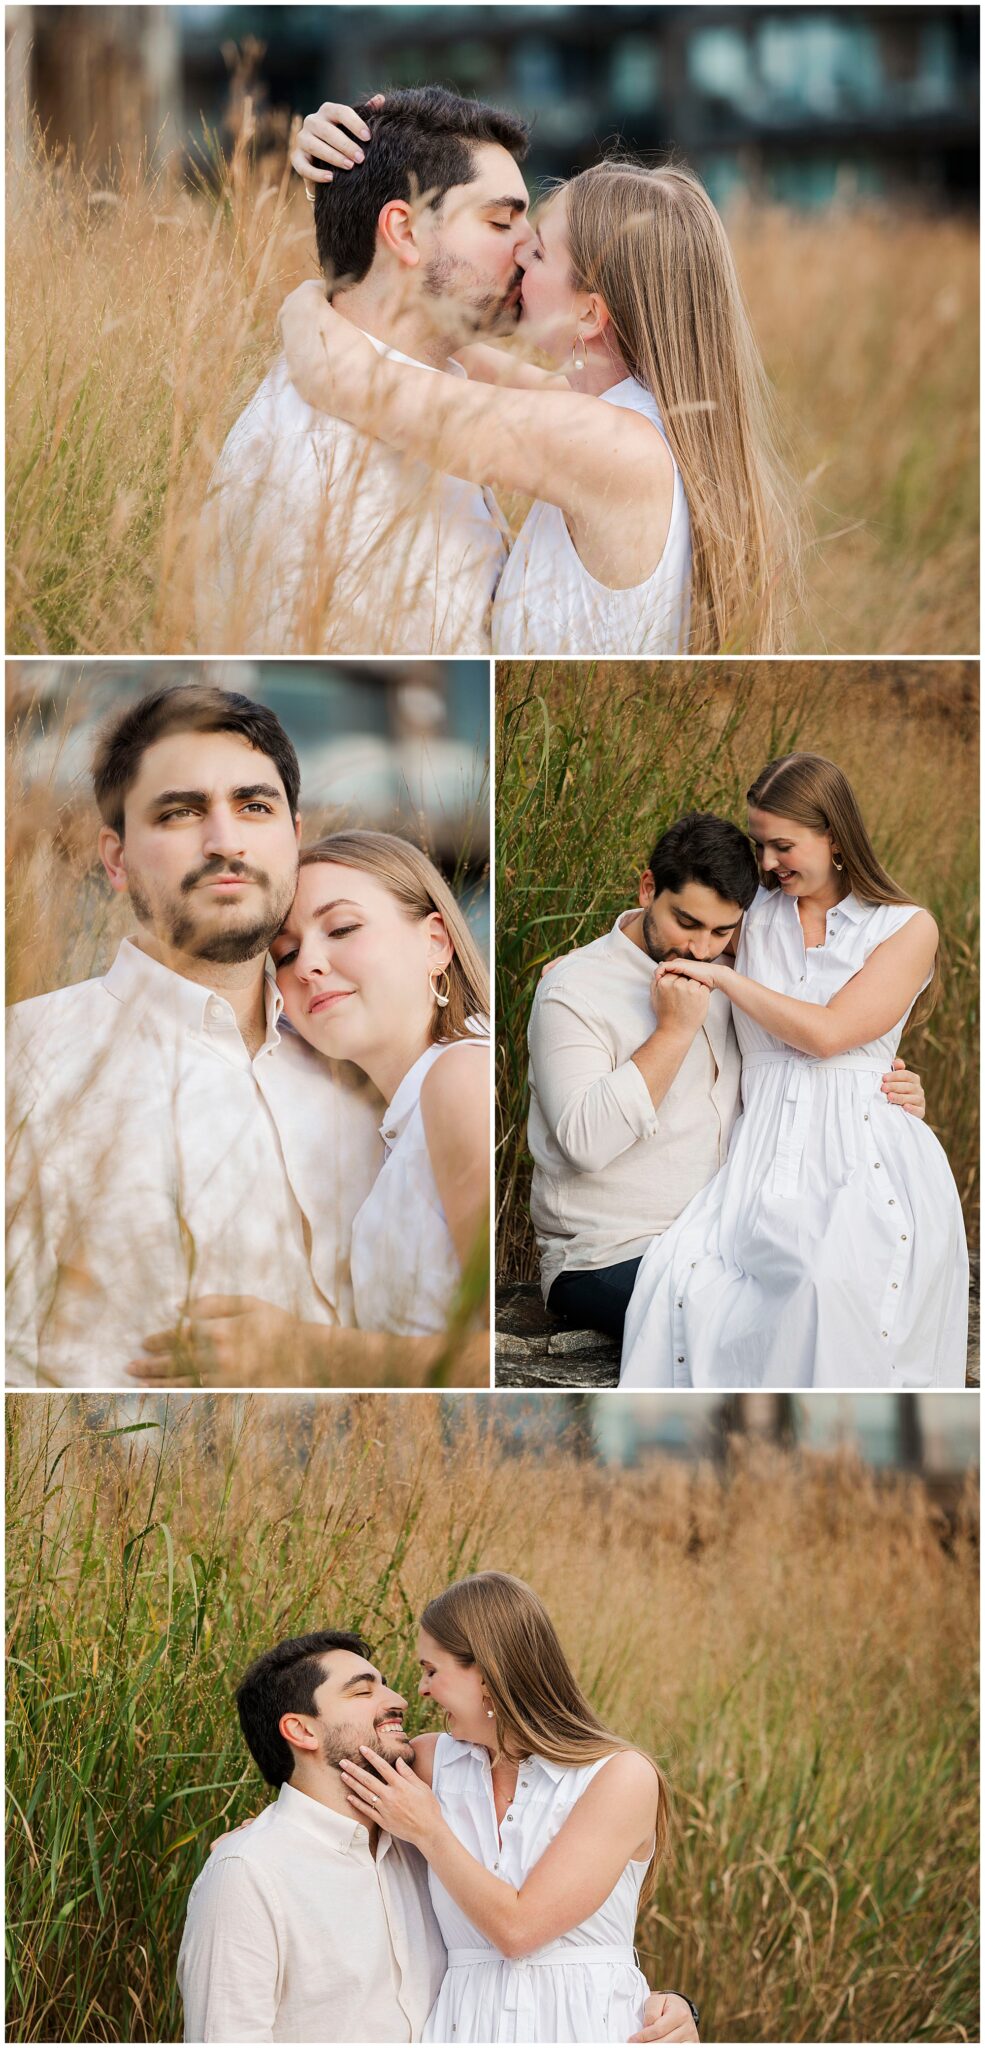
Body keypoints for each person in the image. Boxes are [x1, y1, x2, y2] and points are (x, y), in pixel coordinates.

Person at [6, 684, 484, 1386]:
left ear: (293, 838)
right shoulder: (24, 1059)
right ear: (115, 859)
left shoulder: (364, 1060)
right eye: (180, 811)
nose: (224, 841)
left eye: (254, 806)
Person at [283, 96, 800, 657]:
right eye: (505, 225)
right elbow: (444, 351)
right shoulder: (624, 414)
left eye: (538, 250)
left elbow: (360, 381)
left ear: (588, 312)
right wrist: (349, 191)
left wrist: (309, 298)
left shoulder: (610, 446)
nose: (518, 253)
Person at [178, 1613, 698, 2044]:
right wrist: (242, 1861)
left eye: (407, 1678)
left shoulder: (416, 1845)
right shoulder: (251, 1873)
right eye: (364, 1692)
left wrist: (672, 2007)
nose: (405, 1697)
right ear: (301, 1729)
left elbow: (547, 1949)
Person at [620, 755, 968, 1388]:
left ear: (835, 836)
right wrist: (588, 963)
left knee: (827, 1287)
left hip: (860, 1151)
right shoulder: (754, 915)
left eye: (783, 845)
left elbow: (831, 1034)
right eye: (760, 844)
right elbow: (664, 927)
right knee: (692, 1282)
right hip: (761, 1151)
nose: (769, 862)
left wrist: (725, 977)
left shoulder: (906, 927)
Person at [527, 813, 926, 1347]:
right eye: (686, 923)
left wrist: (884, 1087)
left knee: (857, 1299)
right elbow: (586, 1142)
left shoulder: (732, 974)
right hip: (607, 1254)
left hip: (723, 1238)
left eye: (722, 930)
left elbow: (804, 1059)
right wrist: (672, 1033)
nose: (700, 949)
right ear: (648, 888)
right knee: (766, 1333)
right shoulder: (573, 991)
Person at [201, 88, 531, 656]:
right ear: (404, 232)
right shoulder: (322, 472)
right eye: (502, 222)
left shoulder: (429, 382)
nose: (530, 250)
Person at [337, 1572, 695, 2045]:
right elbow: (322, 1804)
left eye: (431, 1670)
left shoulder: (618, 1777)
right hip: (464, 2029)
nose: (420, 1690)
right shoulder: (427, 1764)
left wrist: (431, 1830)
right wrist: (250, 1846)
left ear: (485, 1674)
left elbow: (520, 1929)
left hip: (589, 2029)